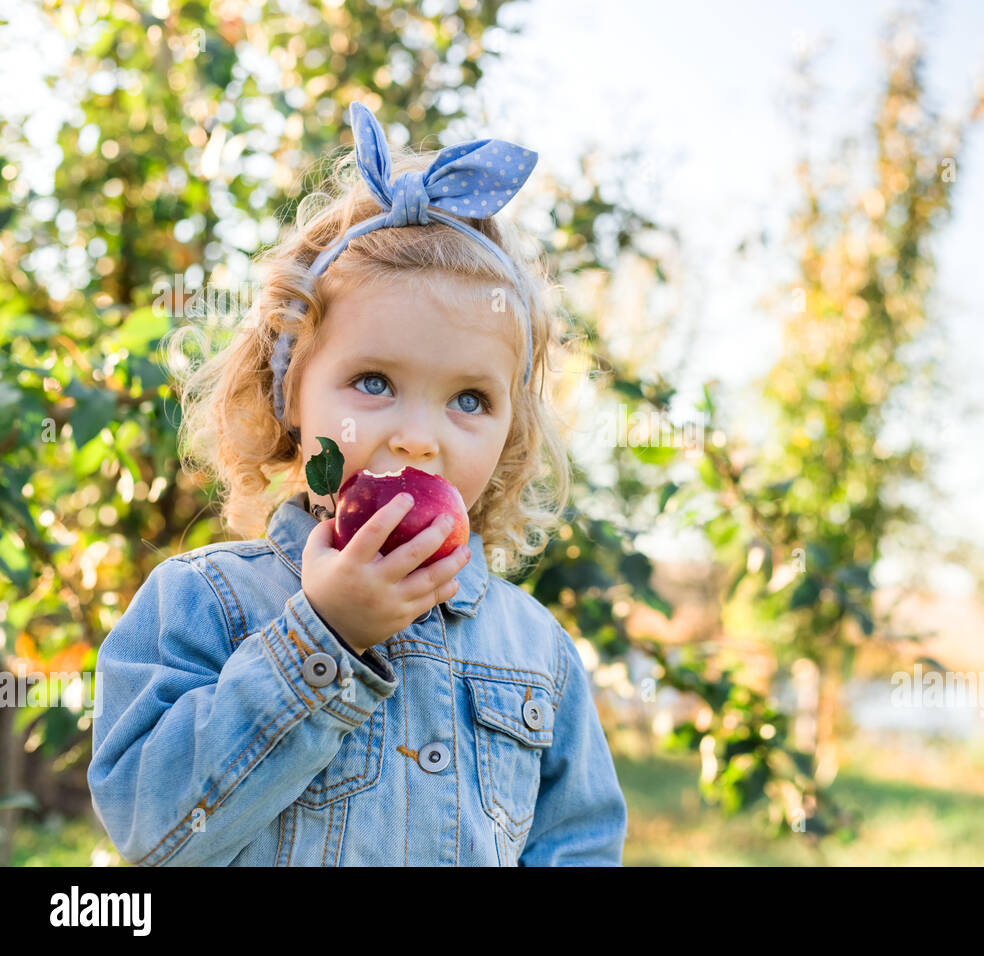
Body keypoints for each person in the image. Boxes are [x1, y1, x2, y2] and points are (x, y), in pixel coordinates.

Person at [87, 99, 627, 866]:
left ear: (513, 432)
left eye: (470, 400)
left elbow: (580, 844)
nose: (419, 435)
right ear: (290, 397)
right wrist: (322, 638)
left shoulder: (536, 650)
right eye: (373, 381)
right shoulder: (203, 604)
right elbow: (153, 825)